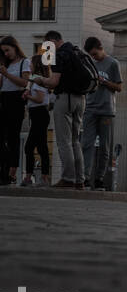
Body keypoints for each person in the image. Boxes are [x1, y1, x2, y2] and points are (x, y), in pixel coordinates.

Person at [27, 30, 105, 189]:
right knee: (75, 141)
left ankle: (68, 178)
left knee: (64, 141)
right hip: (81, 100)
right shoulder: (77, 51)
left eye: (47, 45)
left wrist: (38, 79)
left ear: (52, 41)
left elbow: (54, 82)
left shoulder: (60, 55)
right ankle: (80, 180)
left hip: (65, 99)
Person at [78, 37, 122, 190]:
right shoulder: (89, 64)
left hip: (106, 110)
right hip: (90, 108)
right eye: (91, 55)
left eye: (95, 54)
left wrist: (103, 81)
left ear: (100, 47)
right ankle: (85, 177)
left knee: (105, 147)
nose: (94, 57)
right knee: (86, 144)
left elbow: (119, 87)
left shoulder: (113, 63)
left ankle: (99, 178)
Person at [0, 35, 33, 186]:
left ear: (15, 47)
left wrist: (7, 74)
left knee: (13, 137)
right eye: (3, 51)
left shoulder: (24, 62)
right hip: (4, 98)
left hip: (16, 100)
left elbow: (24, 82)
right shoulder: (5, 63)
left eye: (7, 50)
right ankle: (4, 168)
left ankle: (11, 172)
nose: (6, 54)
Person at [19, 56, 53, 187]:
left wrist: (28, 96)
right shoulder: (35, 80)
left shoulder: (39, 81)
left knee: (31, 147)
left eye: (31, 64)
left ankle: (32, 177)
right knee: (41, 146)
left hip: (39, 114)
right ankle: (42, 177)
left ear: (37, 66)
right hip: (37, 114)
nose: (29, 67)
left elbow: (40, 99)